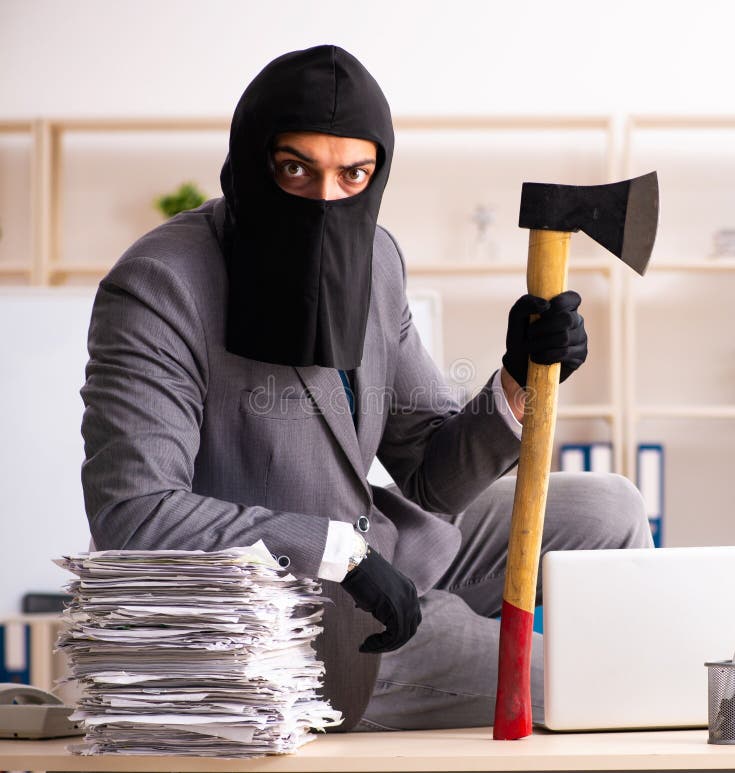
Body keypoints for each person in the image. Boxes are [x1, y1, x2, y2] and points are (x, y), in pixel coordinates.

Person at [79, 44, 652, 732]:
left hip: (381, 544)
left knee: (611, 505)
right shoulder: (160, 285)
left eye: (354, 174)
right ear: (250, 160)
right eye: (296, 169)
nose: (328, 199)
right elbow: (134, 515)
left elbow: (431, 475)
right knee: (585, 671)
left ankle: (628, 686)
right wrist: (337, 550)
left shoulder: (375, 258)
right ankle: (627, 691)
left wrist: (522, 374)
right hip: (279, 619)